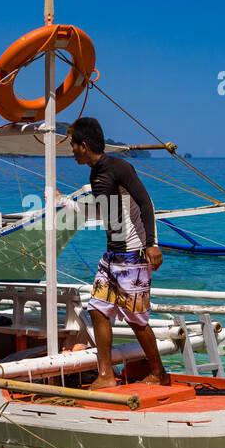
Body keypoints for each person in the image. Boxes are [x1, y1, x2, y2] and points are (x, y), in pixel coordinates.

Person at [69, 116, 169, 388]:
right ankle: (105, 375)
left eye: (73, 145)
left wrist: (153, 244)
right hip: (111, 257)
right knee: (97, 310)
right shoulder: (95, 173)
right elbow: (106, 213)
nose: (71, 150)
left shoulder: (120, 167)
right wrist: (65, 204)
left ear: (84, 145)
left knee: (137, 320)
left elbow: (145, 203)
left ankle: (160, 373)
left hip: (134, 255)